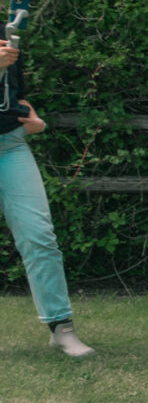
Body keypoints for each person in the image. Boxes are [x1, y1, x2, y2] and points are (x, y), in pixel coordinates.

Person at [0, 42, 92, 356]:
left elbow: (16, 96)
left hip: (11, 147)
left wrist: (34, 118)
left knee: (39, 237)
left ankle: (62, 330)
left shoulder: (7, 36)